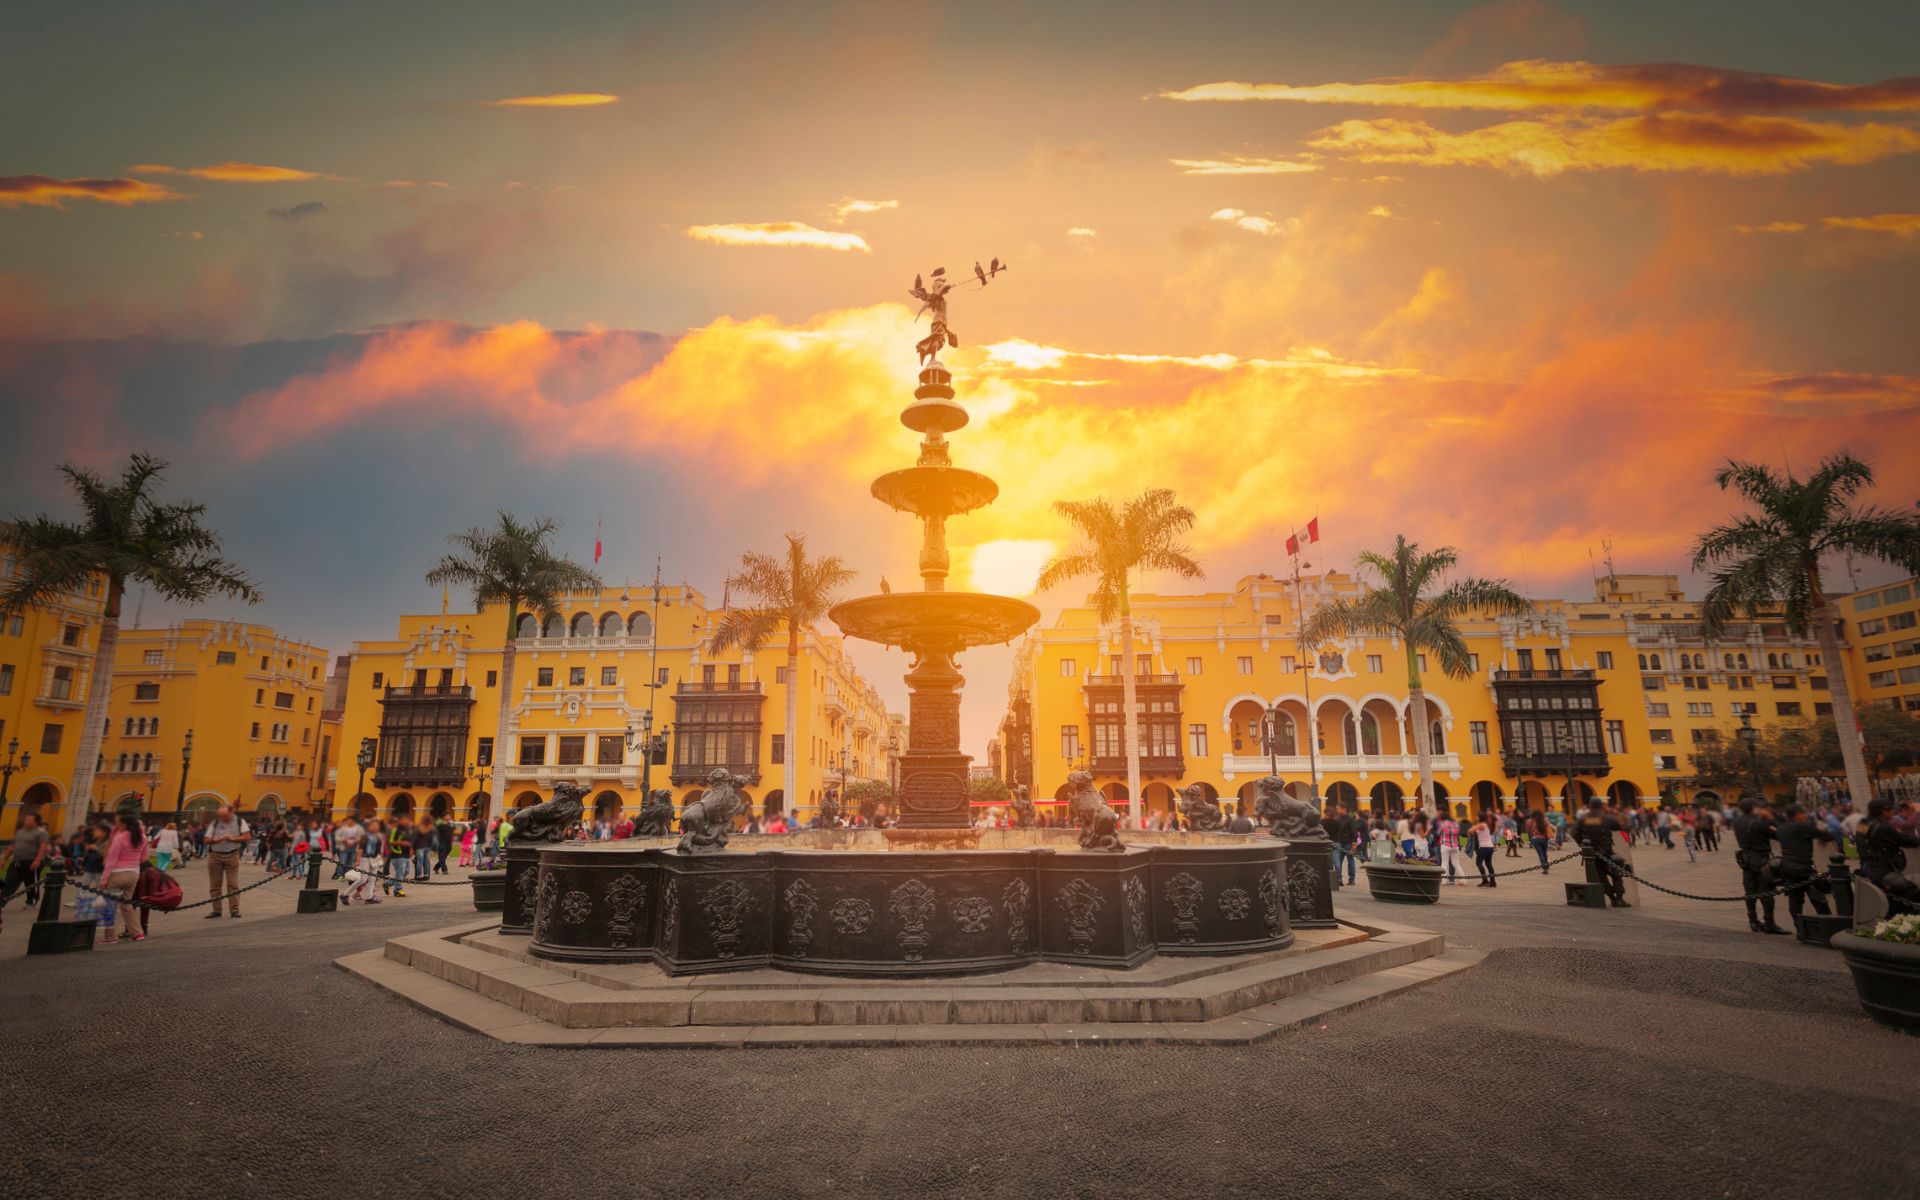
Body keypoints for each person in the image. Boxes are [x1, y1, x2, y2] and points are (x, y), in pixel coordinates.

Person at [1729, 798, 1788, 935]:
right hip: (1760, 859)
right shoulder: (1759, 822)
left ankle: (1753, 921)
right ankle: (1769, 923)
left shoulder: (1737, 822)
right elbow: (1780, 834)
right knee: (1766, 892)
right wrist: (1771, 818)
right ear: (1754, 807)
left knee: (1750, 892)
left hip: (1745, 859)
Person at [1773, 803, 1834, 925]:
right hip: (1803, 866)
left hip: (1786, 865)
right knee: (1818, 894)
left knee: (1795, 898)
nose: (1805, 815)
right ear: (1797, 814)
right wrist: (1825, 835)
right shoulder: (1802, 827)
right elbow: (1826, 835)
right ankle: (1828, 923)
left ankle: (1799, 926)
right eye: (1803, 813)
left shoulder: (1781, 828)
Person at [1857, 798, 1920, 914]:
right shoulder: (1884, 827)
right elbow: (1909, 841)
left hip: (1866, 869)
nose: (1893, 813)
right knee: (1912, 891)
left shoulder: (1863, 823)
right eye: (1890, 810)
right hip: (1883, 872)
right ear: (1884, 811)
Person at [1572, 797, 1629, 908]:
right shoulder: (1606, 818)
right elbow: (1619, 826)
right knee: (1616, 874)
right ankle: (1620, 899)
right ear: (1601, 806)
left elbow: (1574, 832)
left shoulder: (1583, 819)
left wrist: (1583, 844)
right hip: (1607, 851)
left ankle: (1612, 897)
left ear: (1589, 806)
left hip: (1592, 853)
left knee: (1601, 877)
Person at [1, 811, 52, 932]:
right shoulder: (20, 831)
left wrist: (38, 860)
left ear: (36, 822)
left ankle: (31, 901)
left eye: (30, 820)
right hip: (17, 861)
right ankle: (2, 902)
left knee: (31, 883)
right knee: (9, 881)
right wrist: (4, 859)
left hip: (31, 861)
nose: (27, 821)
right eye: (26, 819)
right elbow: (13, 846)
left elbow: (43, 847)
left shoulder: (41, 833)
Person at [102, 812, 148, 944]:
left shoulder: (120, 837)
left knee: (110, 905)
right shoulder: (142, 837)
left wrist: (104, 879)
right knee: (127, 904)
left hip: (117, 873)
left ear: (124, 824)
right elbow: (144, 858)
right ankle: (137, 933)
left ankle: (110, 937)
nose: (117, 826)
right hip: (133, 874)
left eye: (119, 823)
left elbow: (111, 859)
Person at [202, 804, 249, 919]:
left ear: (231, 812)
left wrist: (233, 839)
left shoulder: (239, 821)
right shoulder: (215, 822)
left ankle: (234, 910)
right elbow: (206, 839)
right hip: (215, 855)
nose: (223, 818)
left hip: (232, 854)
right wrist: (213, 840)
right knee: (215, 885)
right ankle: (216, 910)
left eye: (225, 816)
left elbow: (247, 837)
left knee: (232, 884)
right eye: (221, 816)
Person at [1434, 808, 1463, 884]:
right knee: (1456, 863)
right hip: (1455, 845)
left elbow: (1438, 833)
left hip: (1445, 845)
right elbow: (1458, 833)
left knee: (1444, 863)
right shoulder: (1455, 824)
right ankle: (1463, 880)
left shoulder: (1442, 824)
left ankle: (1444, 880)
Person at [1468, 814, 1497, 887]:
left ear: (1480, 817)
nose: (1475, 817)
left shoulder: (1481, 824)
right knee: (1488, 864)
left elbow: (1470, 830)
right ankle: (1492, 882)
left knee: (1479, 863)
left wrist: (1472, 829)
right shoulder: (1485, 824)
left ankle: (1485, 880)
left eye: (1477, 816)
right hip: (1490, 846)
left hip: (1484, 847)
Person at [386, 820, 412, 897]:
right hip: (397, 854)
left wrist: (411, 851)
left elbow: (411, 842)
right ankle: (397, 890)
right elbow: (390, 841)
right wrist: (401, 843)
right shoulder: (395, 830)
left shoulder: (408, 831)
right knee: (400, 873)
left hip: (406, 855)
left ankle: (388, 883)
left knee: (406, 872)